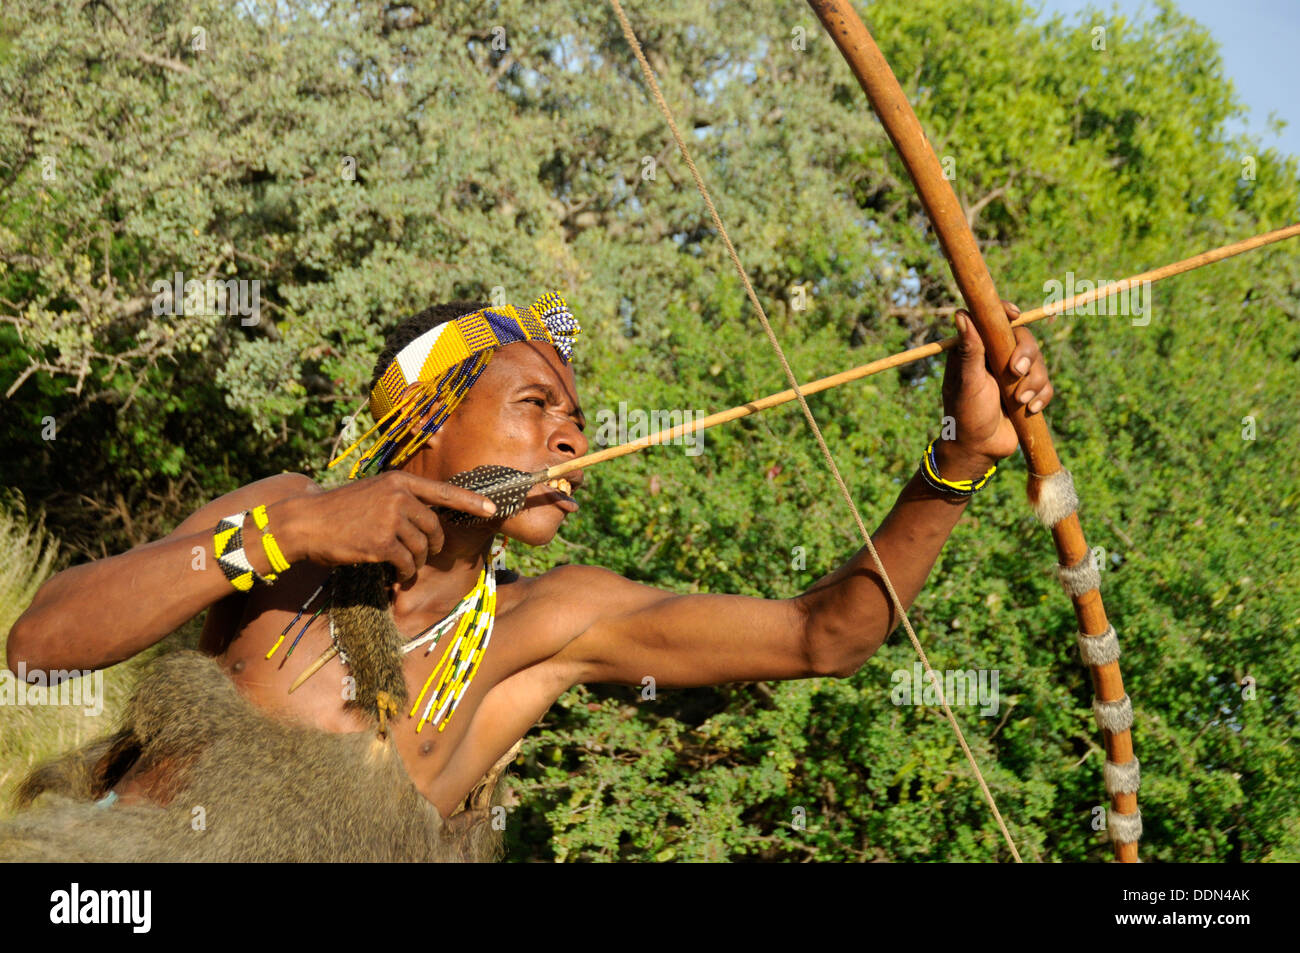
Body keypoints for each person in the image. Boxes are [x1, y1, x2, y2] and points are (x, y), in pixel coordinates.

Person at [2, 291, 1054, 860]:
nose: (568, 442)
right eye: (535, 409)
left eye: (580, 425)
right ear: (418, 424)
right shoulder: (287, 517)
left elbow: (824, 636)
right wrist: (284, 535)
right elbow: (37, 645)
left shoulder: (547, 623)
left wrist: (957, 460)